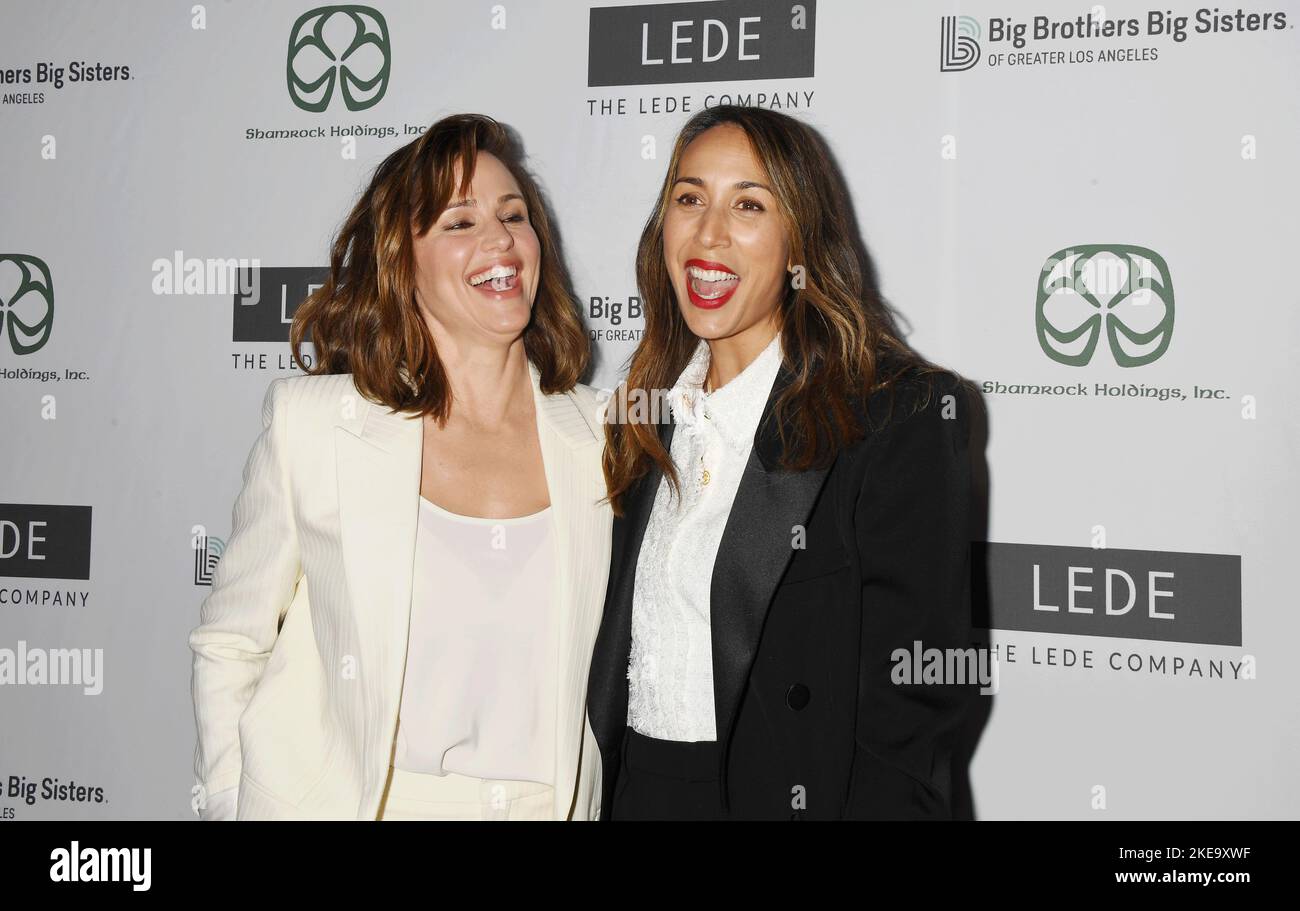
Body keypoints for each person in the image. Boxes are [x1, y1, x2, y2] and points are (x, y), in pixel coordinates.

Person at [189, 114, 611, 820]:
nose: (500, 239)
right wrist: (229, 801)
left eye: (514, 215)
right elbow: (232, 641)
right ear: (400, 262)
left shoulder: (604, 440)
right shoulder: (314, 427)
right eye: (459, 222)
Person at [588, 105, 980, 820]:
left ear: (801, 238)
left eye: (749, 205)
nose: (709, 233)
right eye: (689, 199)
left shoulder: (895, 417)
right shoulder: (642, 418)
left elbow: (912, 714)